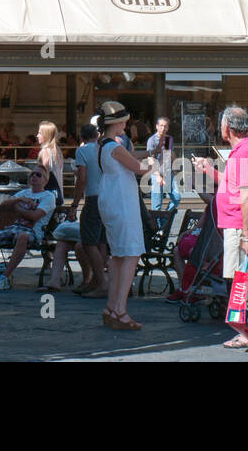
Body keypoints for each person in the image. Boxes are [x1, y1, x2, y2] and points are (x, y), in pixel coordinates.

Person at [193, 105, 248, 350]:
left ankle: (246, 332)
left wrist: (246, 236)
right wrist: (209, 170)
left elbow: (247, 196)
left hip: (239, 226)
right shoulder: (247, 150)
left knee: (240, 279)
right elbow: (234, 185)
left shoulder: (244, 153)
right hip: (238, 223)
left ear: (226, 128)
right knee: (242, 278)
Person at [95, 101, 156, 330]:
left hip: (110, 200)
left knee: (118, 255)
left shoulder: (103, 144)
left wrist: (149, 153)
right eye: (124, 121)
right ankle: (119, 310)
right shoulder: (116, 146)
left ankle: (112, 307)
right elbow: (138, 168)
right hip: (122, 203)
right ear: (118, 123)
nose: (127, 124)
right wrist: (157, 163)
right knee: (130, 254)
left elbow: (129, 158)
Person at [43, 123, 106, 296]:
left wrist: (75, 204)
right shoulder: (103, 149)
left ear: (81, 138)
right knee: (101, 241)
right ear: (97, 135)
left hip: (93, 198)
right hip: (108, 198)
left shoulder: (82, 151)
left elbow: (82, 179)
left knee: (88, 242)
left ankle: (100, 282)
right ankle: (95, 281)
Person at [0, 167, 57, 290]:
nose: (34, 176)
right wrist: (19, 199)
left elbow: (35, 216)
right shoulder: (23, 193)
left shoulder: (48, 197)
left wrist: (18, 209)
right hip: (12, 228)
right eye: (32, 174)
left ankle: (4, 277)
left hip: (33, 233)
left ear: (45, 180)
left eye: (38, 175)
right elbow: (3, 205)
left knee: (23, 236)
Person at [146, 116, 179, 211]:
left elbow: (169, 154)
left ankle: (165, 218)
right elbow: (150, 159)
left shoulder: (169, 139)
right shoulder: (152, 140)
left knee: (176, 197)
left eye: (165, 126)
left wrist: (175, 169)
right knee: (157, 203)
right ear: (156, 126)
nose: (163, 128)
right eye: (161, 126)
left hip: (168, 173)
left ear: (168, 128)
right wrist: (157, 175)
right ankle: (157, 225)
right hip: (157, 173)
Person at [35, 120, 64, 197]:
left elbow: (43, 171)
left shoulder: (45, 152)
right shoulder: (58, 151)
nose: (37, 136)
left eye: (40, 133)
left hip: (47, 194)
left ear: (46, 135)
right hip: (58, 192)